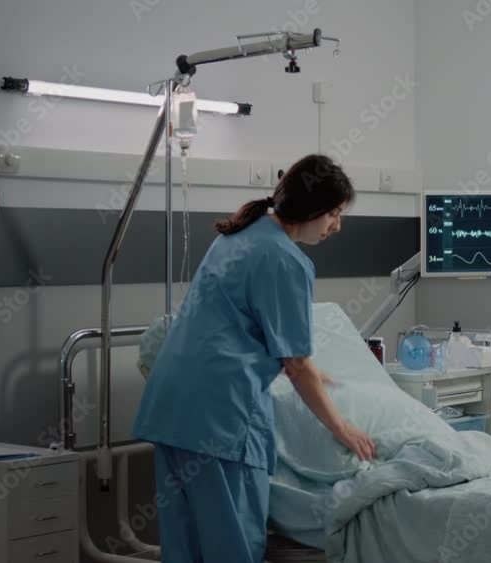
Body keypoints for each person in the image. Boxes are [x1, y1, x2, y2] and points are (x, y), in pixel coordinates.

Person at [132, 154, 377, 563]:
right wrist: (343, 428)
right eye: (334, 213)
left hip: (173, 411)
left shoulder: (238, 235)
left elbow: (255, 329)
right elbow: (294, 363)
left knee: (185, 548)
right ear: (312, 209)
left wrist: (317, 373)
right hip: (220, 418)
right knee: (232, 547)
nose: (337, 225)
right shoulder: (285, 259)